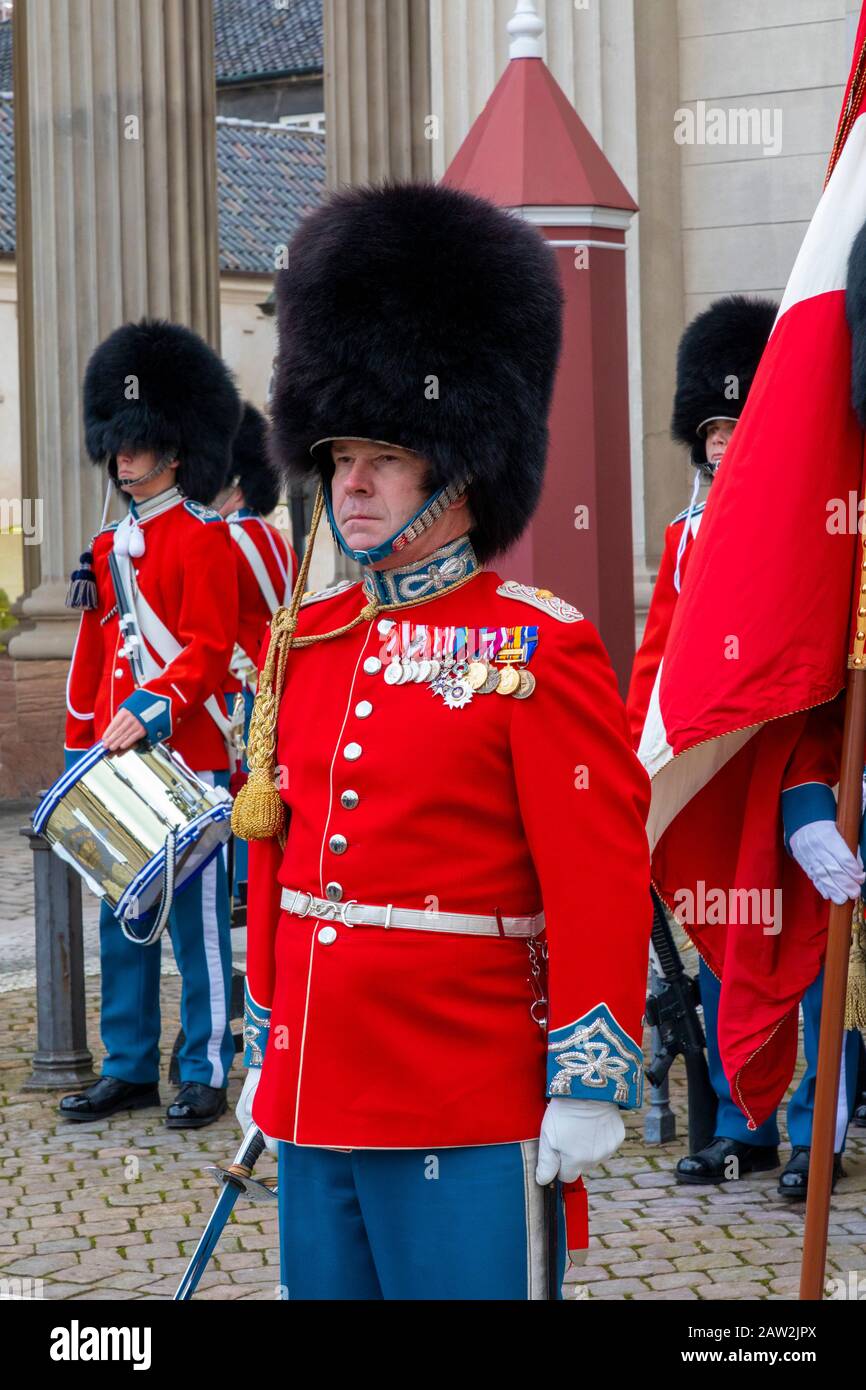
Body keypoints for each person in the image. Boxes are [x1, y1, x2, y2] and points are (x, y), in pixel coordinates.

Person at [231, 181, 653, 1301]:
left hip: (461, 1092)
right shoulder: (308, 639)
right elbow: (277, 855)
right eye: (339, 457)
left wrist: (589, 1069)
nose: (351, 483)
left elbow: (596, 875)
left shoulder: (537, 648)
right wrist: (270, 1043)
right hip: (314, 1087)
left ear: (457, 471)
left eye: (384, 457)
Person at [633, 299, 861, 1196]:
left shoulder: (823, 531)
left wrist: (813, 796)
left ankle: (820, 1127)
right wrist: (630, 776)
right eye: (714, 428)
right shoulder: (686, 541)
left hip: (815, 772)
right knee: (730, 946)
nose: (725, 444)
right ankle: (746, 1123)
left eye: (742, 425)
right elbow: (659, 669)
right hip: (726, 779)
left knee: (817, 955)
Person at [60, 318, 241, 1128]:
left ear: (173, 448)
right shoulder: (106, 548)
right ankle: (129, 1064)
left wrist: (150, 710)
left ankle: (205, 1067)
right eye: (118, 443)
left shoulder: (206, 540)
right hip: (117, 761)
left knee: (196, 928)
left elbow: (207, 652)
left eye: (137, 444)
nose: (122, 457)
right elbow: (97, 655)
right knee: (121, 918)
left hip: (186, 756)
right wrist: (81, 748)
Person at [214, 402, 298, 898]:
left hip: (236, 684)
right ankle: (254, 874)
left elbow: (214, 625)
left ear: (237, 483)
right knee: (265, 775)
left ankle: (240, 878)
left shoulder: (222, 539)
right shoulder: (278, 541)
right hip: (276, 676)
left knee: (240, 779)